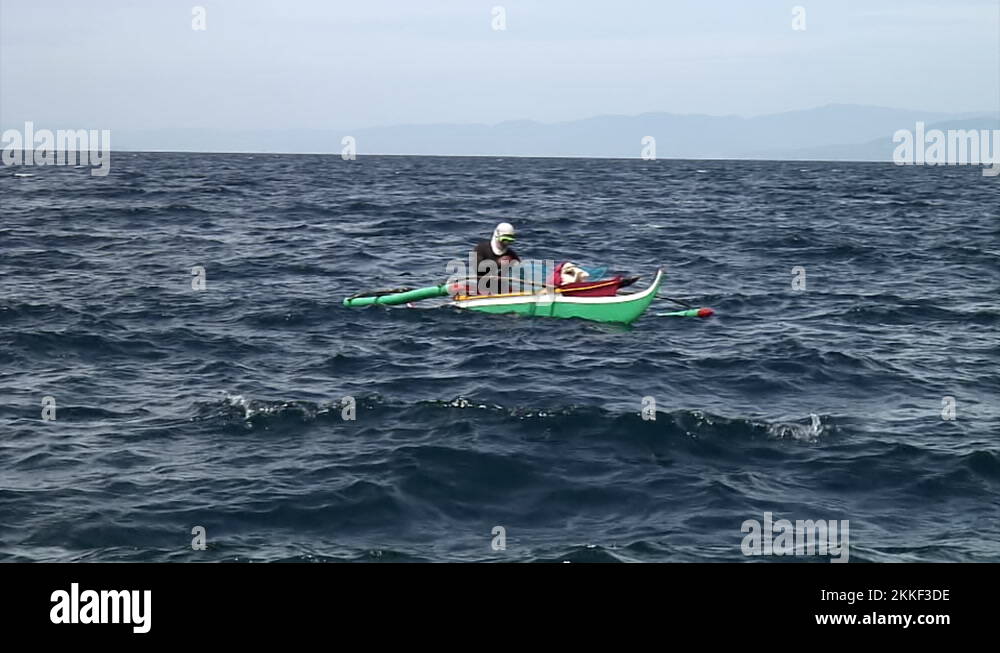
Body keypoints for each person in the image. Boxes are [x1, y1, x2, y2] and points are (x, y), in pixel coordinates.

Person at [471, 222, 520, 292]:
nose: (506, 243)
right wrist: (497, 263)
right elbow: (477, 268)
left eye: (510, 241)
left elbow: (521, 272)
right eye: (504, 240)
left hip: (503, 290)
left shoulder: (511, 254)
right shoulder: (481, 249)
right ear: (497, 235)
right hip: (483, 290)